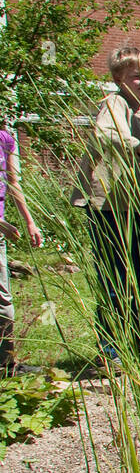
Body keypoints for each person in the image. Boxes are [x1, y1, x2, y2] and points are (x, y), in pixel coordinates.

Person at [72, 46, 140, 362]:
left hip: (139, 205)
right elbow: (104, 136)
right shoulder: (113, 103)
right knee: (117, 277)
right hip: (109, 205)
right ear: (118, 78)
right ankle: (110, 350)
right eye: (136, 76)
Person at [0, 128, 43, 375]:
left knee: (4, 301)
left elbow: (13, 181)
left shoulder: (5, 139)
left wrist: (29, 221)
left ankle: (6, 364)